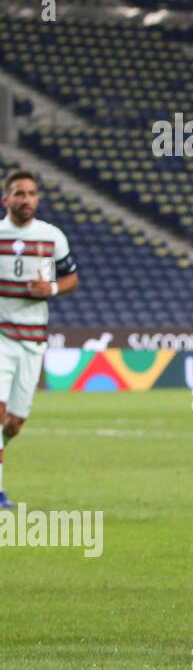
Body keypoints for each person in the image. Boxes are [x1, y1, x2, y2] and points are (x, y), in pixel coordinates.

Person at [0, 170, 79, 509]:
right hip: (1, 333)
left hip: (33, 338)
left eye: (31, 193)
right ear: (6, 199)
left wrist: (53, 289)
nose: (26, 199)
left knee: (14, 423)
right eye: (19, 193)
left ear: (38, 199)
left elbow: (71, 278)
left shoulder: (52, 237)